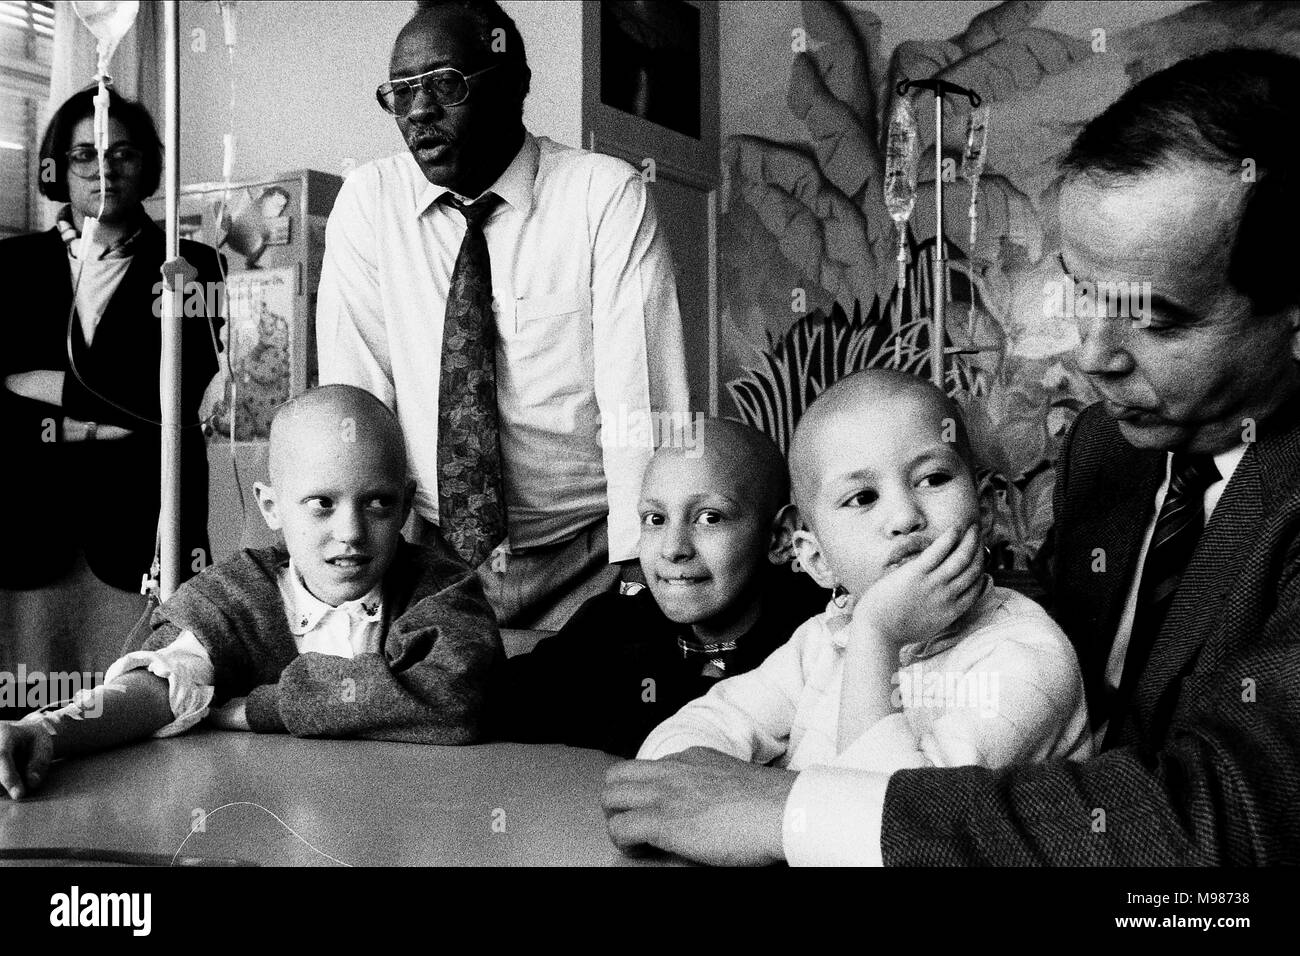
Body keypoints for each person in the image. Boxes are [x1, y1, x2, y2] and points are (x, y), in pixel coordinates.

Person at [601, 48, 1300, 866]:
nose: (1093, 353)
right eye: (1083, 291)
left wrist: (794, 812)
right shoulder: (1107, 449)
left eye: (1157, 320)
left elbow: (1225, 823)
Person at [317, 0, 690, 630]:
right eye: (400, 93)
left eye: (444, 84)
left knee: (583, 719)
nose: (419, 112)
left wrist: (638, 578)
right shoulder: (370, 202)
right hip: (431, 557)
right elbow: (358, 406)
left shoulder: (603, 196)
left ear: (515, 85)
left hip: (588, 555)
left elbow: (642, 408)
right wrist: (361, 576)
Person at [0, 385, 503, 799]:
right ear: (271, 506)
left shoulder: (443, 590)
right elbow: (155, 689)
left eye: (378, 502)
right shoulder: (236, 596)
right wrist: (46, 729)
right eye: (322, 504)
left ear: (407, 503)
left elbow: (456, 697)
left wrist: (256, 709)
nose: (350, 531)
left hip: (420, 818)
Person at [637, 371, 1091, 773]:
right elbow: (679, 747)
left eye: (932, 479)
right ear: (817, 559)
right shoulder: (821, 642)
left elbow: (889, 825)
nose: (904, 517)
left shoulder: (1026, 657)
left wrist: (878, 637)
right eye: (862, 497)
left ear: (987, 509)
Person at [0, 87, 223, 683]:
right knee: (28, 718)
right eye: (84, 155)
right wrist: (103, 417)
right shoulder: (9, 269)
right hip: (26, 529)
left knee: (130, 716)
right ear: (57, 166)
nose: (104, 169)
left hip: (141, 532)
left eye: (123, 153)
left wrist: (43, 386)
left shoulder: (192, 265)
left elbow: (168, 402)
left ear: (147, 163)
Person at [489, 419, 823, 758]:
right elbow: (497, 701)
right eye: (655, 519)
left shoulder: (818, 645)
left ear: (780, 537)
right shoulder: (616, 625)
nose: (672, 549)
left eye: (710, 518)